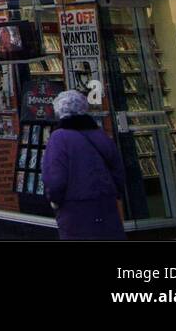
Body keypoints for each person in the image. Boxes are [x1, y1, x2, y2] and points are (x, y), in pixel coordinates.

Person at [41, 89, 126, 240]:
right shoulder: (100, 134)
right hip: (106, 206)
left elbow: (55, 179)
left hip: (76, 209)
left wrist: (54, 201)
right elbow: (117, 170)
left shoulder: (59, 138)